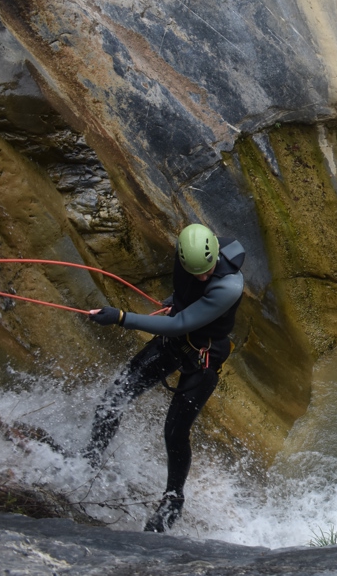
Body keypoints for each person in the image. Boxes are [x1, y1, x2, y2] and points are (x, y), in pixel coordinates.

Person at [85, 223, 245, 532]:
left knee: (174, 432)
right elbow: (187, 293)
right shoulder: (188, 255)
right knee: (113, 398)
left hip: (202, 359)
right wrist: (177, 296)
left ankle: (173, 501)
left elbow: (180, 323)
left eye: (206, 271)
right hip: (173, 345)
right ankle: (88, 460)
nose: (202, 277)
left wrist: (121, 318)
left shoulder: (230, 285)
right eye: (195, 271)